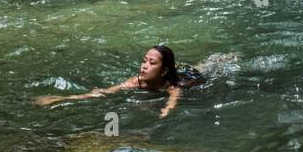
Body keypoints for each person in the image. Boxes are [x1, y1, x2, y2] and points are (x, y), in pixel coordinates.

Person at [34, 45, 205, 120]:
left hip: (188, 77)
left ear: (164, 70)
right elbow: (106, 92)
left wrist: (165, 112)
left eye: (152, 63)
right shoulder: (135, 82)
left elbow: (173, 101)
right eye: (144, 61)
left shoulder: (172, 86)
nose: (144, 66)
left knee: (199, 70)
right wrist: (60, 99)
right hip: (170, 70)